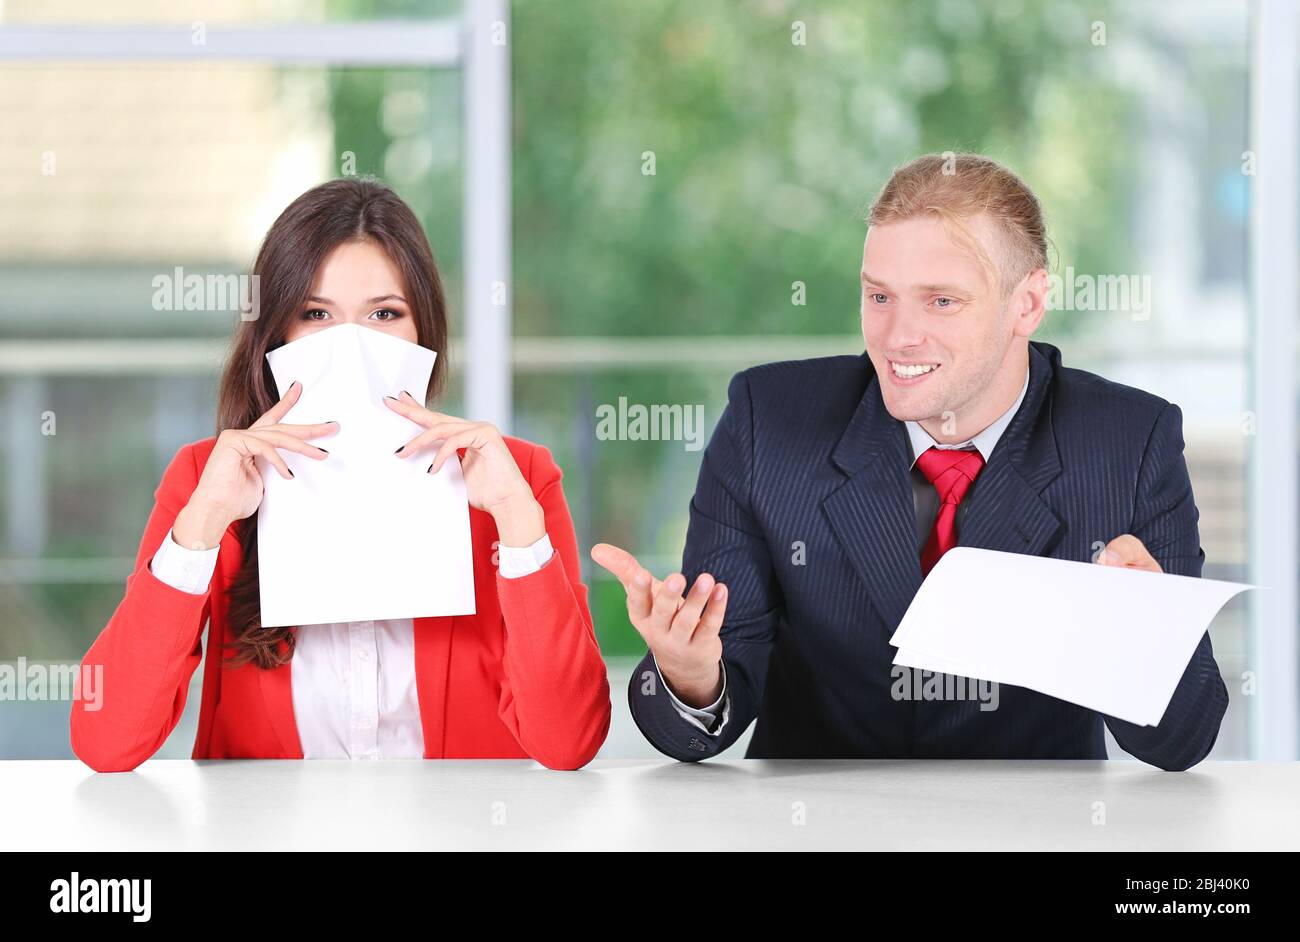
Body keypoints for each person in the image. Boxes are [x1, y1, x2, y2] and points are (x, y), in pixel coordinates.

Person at [594, 153, 1227, 771]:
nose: (898, 337)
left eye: (941, 302)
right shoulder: (769, 423)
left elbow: (1182, 744)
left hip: (1029, 833)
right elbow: (700, 722)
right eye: (879, 297)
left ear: (1027, 304)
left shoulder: (1129, 442)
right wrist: (691, 677)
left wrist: (1147, 640)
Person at [71, 178, 610, 772]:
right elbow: (107, 741)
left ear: (423, 331)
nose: (352, 345)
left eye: (384, 313)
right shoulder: (209, 479)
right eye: (316, 314)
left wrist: (516, 526)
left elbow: (568, 743)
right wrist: (199, 529)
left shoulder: (514, 477)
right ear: (275, 333)